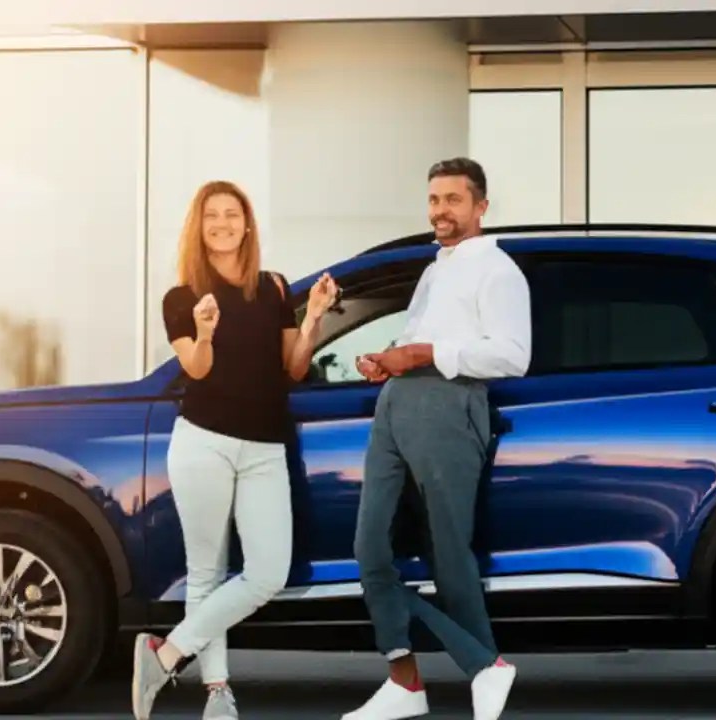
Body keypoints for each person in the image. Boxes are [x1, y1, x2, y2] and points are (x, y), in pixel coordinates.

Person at [132, 180, 338, 720]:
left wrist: (313, 314)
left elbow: (294, 367)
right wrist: (203, 333)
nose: (222, 224)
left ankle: (166, 652)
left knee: (268, 572)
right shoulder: (182, 297)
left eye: (232, 214)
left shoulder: (273, 288)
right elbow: (196, 369)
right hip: (204, 441)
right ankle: (217, 694)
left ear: (247, 225)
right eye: (211, 216)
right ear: (197, 228)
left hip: (266, 446)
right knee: (207, 572)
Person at [343, 157, 532, 720]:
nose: (440, 211)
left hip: (451, 403)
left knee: (447, 552)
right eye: (433, 200)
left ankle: (479, 669)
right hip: (397, 403)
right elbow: (413, 337)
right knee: (369, 549)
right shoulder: (435, 269)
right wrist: (386, 361)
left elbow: (513, 356)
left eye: (452, 200)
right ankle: (412, 682)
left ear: (480, 206)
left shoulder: (497, 271)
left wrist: (427, 355)